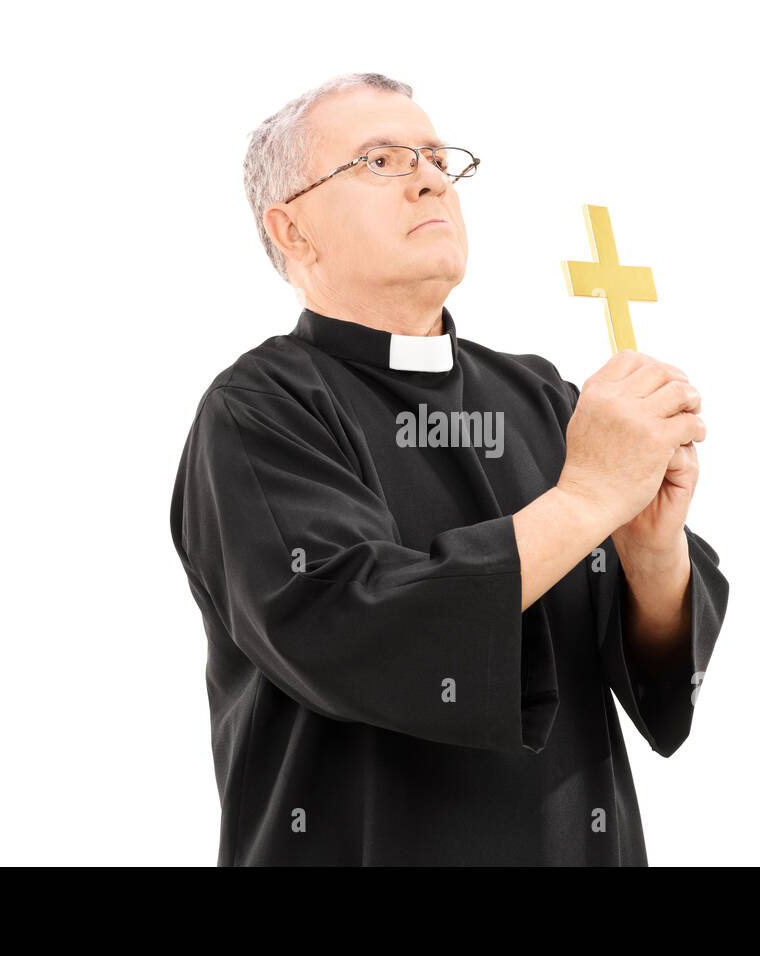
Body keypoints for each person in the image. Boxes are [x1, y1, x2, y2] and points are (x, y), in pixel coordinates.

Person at [169, 71, 730, 866]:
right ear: (292, 230)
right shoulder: (258, 409)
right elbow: (350, 626)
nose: (430, 178)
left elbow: (658, 680)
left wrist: (649, 545)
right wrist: (588, 498)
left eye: (437, 157)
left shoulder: (542, 396)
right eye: (381, 161)